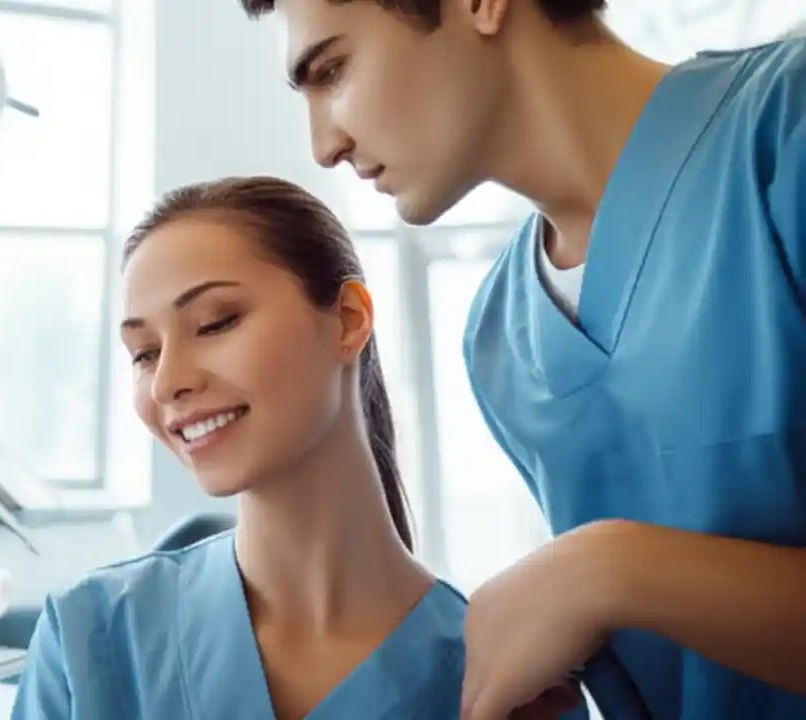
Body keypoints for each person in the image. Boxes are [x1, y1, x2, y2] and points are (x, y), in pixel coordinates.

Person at [0, 176, 586, 719]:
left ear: (348, 319)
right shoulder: (94, 635)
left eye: (216, 322)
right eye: (143, 352)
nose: (169, 382)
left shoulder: (503, 677)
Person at [236, 0, 806, 718]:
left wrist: (609, 572)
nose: (324, 145)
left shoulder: (784, 131)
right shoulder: (502, 339)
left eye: (332, 70)